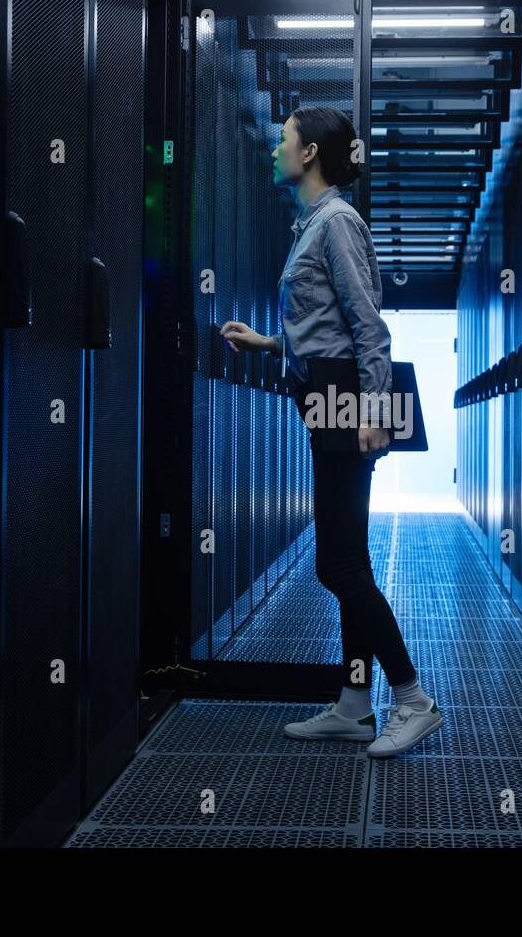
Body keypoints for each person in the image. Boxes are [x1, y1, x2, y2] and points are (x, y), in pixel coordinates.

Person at [219, 106, 441, 758]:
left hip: (345, 399)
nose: (275, 148)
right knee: (350, 556)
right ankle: (353, 704)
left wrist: (372, 409)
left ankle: (411, 699)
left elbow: (368, 326)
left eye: (283, 139)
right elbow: (324, 324)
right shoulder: (314, 223)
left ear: (310, 152)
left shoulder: (337, 222)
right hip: (326, 392)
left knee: (336, 562)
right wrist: (268, 342)